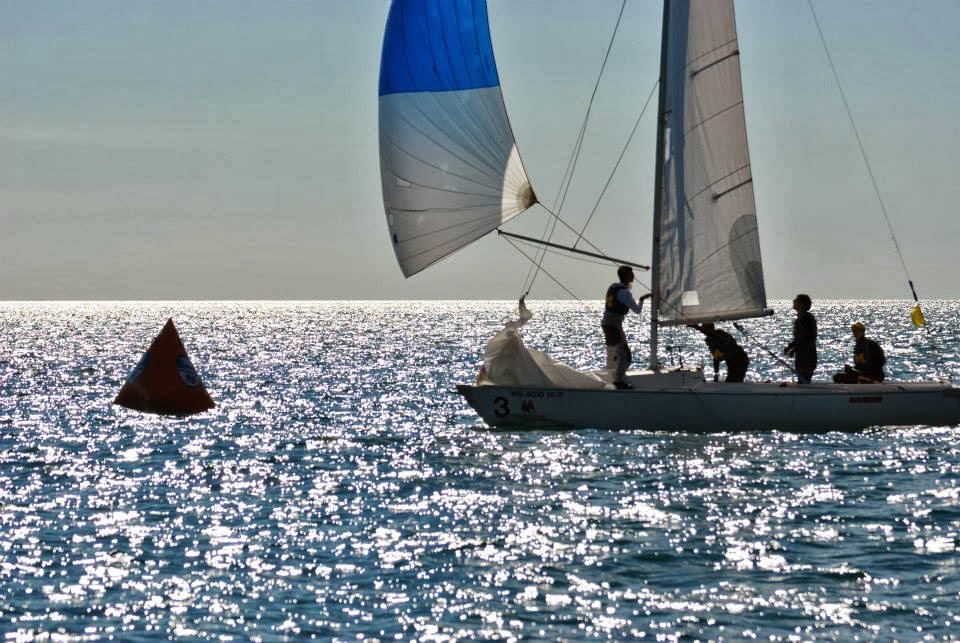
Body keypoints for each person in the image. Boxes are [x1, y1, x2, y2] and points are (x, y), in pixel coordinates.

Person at [601, 266, 651, 389]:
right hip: (614, 324)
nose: (633, 276)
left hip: (607, 323)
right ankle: (618, 381)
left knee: (618, 352)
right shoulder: (624, 292)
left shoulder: (613, 287)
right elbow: (637, 310)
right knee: (626, 356)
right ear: (626, 276)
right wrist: (642, 299)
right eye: (631, 274)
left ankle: (615, 376)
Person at [784, 293, 817, 383]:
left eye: (796, 300)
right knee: (801, 377)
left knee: (804, 378)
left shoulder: (806, 318)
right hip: (801, 354)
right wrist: (790, 347)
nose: (793, 301)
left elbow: (806, 337)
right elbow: (798, 338)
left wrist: (794, 349)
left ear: (802, 304)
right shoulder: (801, 318)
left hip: (807, 355)